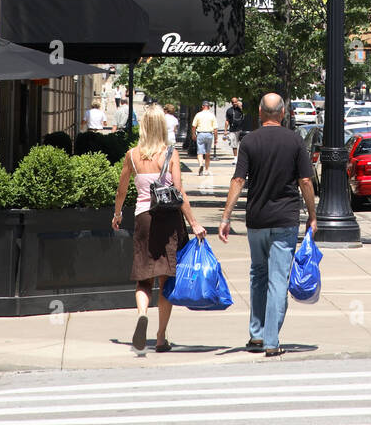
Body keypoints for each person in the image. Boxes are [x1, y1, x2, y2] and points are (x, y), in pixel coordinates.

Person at [218, 92, 317, 357]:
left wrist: (226, 217)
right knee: (277, 280)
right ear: (283, 113)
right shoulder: (295, 141)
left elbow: (237, 181)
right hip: (285, 220)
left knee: (258, 275)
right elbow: (306, 182)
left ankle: (257, 335)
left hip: (257, 221)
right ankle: (271, 340)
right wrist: (312, 216)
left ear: (260, 113)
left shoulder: (250, 141)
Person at [112, 104, 206, 355]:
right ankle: (161, 337)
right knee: (166, 279)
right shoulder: (170, 154)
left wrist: (117, 213)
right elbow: (179, 192)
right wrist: (194, 222)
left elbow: (122, 190)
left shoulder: (132, 155)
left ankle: (143, 314)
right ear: (163, 127)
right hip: (169, 220)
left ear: (143, 127)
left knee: (144, 277)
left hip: (144, 218)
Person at [191, 100, 218, 175]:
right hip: (209, 134)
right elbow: (215, 129)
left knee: (200, 152)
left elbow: (193, 126)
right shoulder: (212, 115)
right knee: (208, 153)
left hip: (200, 134)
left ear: (202, 106)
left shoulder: (198, 115)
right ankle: (206, 169)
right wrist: (216, 138)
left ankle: (200, 165)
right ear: (208, 107)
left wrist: (193, 134)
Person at [225, 97, 246, 161]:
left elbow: (245, 113)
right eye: (233, 102)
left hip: (241, 129)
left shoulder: (241, 109)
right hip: (232, 129)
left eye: (236, 102)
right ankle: (235, 158)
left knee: (242, 144)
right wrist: (225, 130)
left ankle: (242, 157)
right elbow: (227, 121)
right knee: (234, 144)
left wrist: (240, 107)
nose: (234, 103)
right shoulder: (229, 110)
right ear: (231, 103)